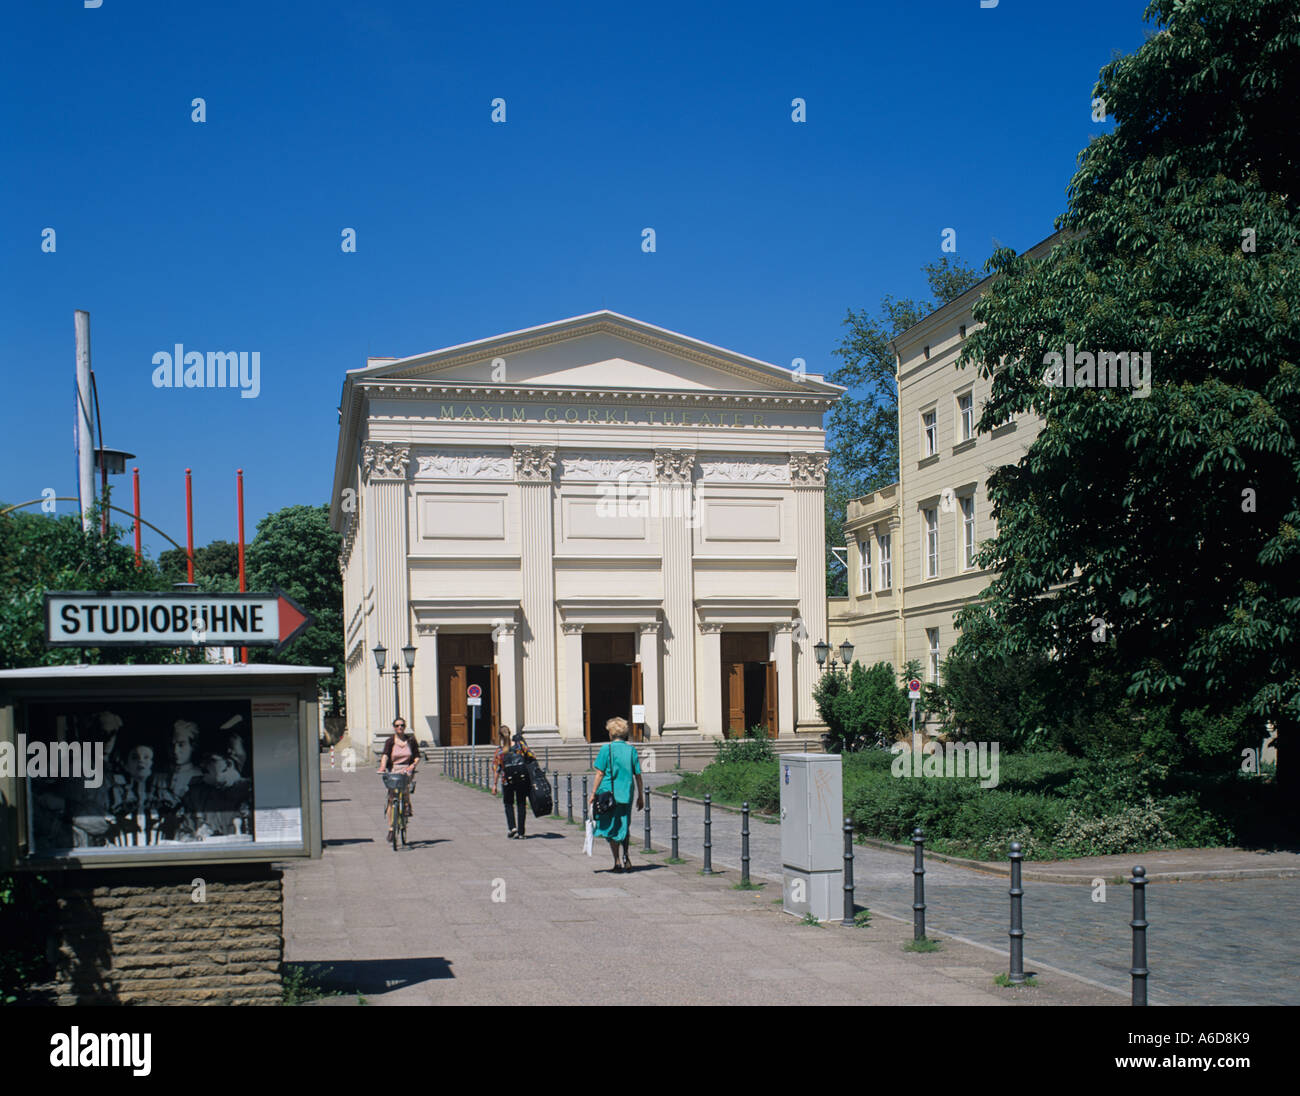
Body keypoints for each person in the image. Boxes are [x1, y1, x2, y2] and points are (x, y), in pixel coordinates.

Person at [587, 717, 644, 872]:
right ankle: (626, 855)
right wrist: (641, 796)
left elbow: (599, 773)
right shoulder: (631, 750)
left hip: (608, 793)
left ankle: (617, 861)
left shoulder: (607, 749)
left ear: (611, 733)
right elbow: (637, 775)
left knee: (612, 825)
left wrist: (593, 793)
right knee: (624, 823)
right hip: (626, 792)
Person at [378, 718, 419, 842]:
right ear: (394, 727)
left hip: (407, 769)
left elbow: (417, 757)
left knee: (405, 789)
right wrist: (382, 766)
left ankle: (407, 805)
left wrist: (412, 766)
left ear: (405, 727)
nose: (399, 727)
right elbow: (385, 755)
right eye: (397, 725)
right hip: (393, 770)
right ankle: (391, 829)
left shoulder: (411, 740)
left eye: (402, 725)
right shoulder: (390, 741)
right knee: (391, 798)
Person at [492, 727, 535, 839]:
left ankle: (512, 827)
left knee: (508, 804)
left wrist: (494, 785)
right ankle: (521, 832)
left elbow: (496, 769)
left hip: (507, 780)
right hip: (522, 779)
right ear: (510, 734)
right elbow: (531, 755)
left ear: (500, 737)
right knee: (521, 804)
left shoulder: (499, 751)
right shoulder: (520, 745)